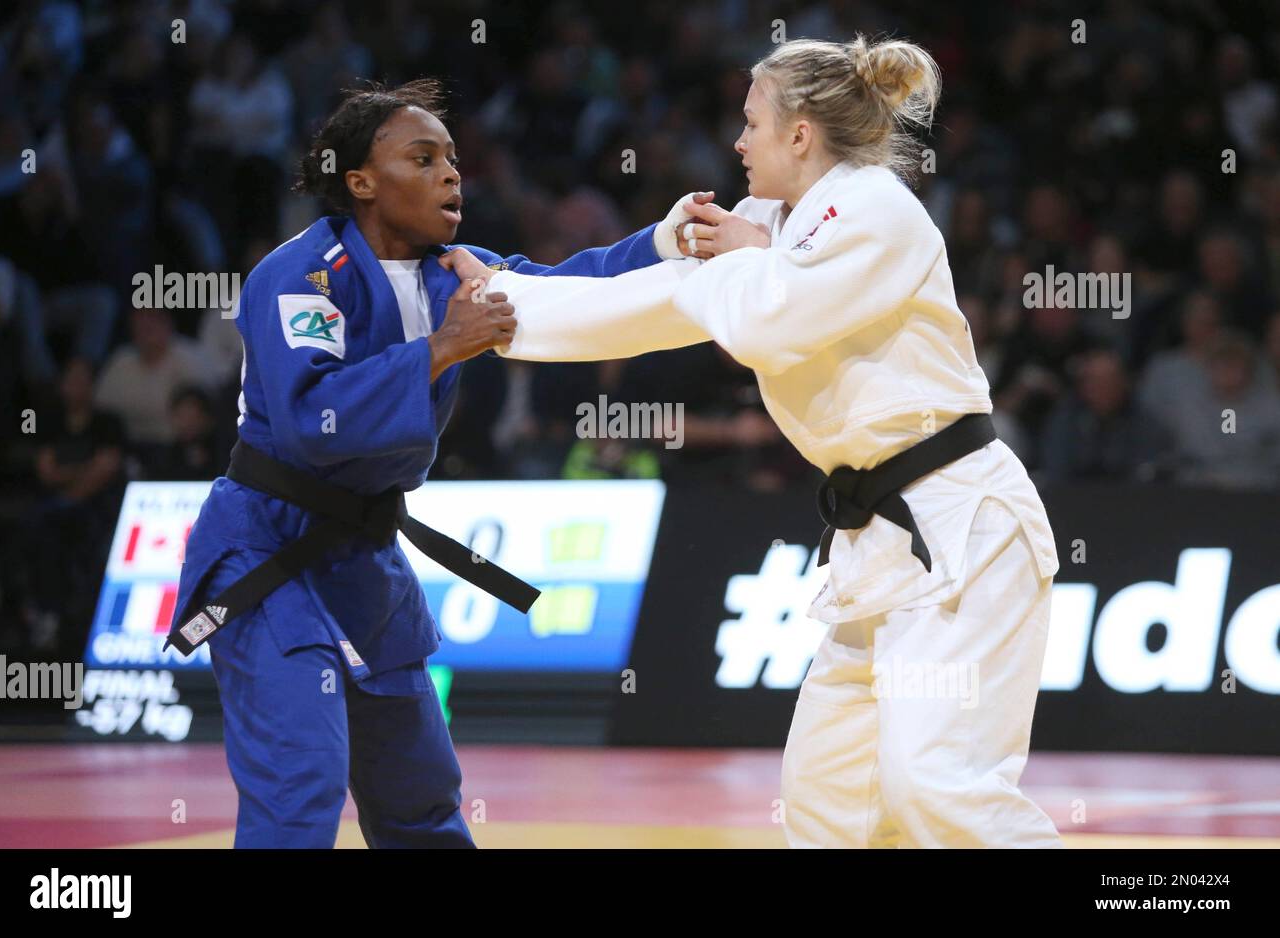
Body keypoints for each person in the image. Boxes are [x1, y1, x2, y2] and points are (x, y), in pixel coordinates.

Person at [441, 37, 1063, 848]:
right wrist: (502, 301)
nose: (738, 143)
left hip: (961, 527)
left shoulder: (879, 205)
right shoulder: (771, 226)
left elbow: (772, 321)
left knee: (938, 790)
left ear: (800, 134)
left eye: (752, 124)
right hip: (874, 543)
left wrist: (742, 255)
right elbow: (646, 304)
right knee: (826, 803)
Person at [166, 79, 708, 848]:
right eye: (422, 159)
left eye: (452, 159)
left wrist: (663, 241)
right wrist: (443, 346)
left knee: (420, 797)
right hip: (266, 553)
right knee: (302, 786)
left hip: (365, 558)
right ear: (361, 182)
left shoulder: (457, 270)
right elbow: (315, 419)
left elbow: (566, 294)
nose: (451, 174)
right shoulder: (301, 275)